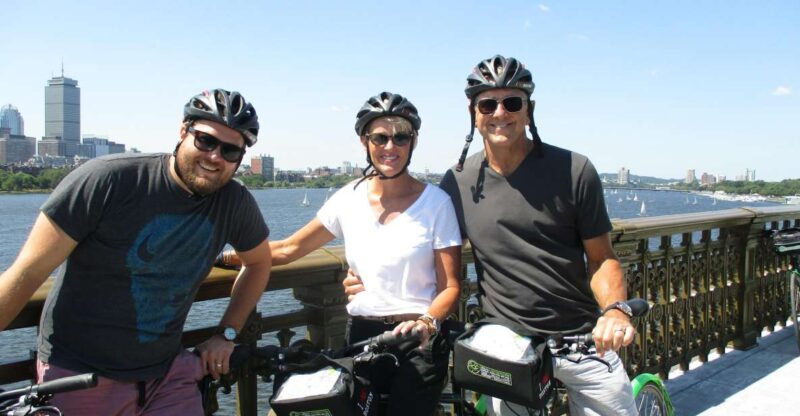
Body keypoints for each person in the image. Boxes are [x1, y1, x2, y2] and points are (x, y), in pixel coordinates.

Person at [344, 55, 638, 415]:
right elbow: (424, 244)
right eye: (488, 104)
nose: (500, 112)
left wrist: (616, 312)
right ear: (474, 113)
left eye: (512, 102)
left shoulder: (575, 170)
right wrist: (370, 278)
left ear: (529, 110)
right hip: (507, 344)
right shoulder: (458, 181)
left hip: (582, 340)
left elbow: (602, 258)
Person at [0, 89, 272, 415]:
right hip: (79, 376)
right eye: (206, 141)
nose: (215, 157)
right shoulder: (109, 179)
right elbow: (28, 272)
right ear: (183, 132)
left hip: (167, 376)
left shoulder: (234, 202)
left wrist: (226, 334)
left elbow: (258, 263)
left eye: (230, 151)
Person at [219, 91, 462, 415]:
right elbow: (289, 248)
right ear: (365, 142)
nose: (391, 147)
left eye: (401, 136)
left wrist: (427, 323)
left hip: (417, 340)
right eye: (380, 137)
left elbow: (451, 287)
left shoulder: (436, 203)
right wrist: (220, 257)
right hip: (362, 333)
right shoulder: (349, 198)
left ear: (413, 141)